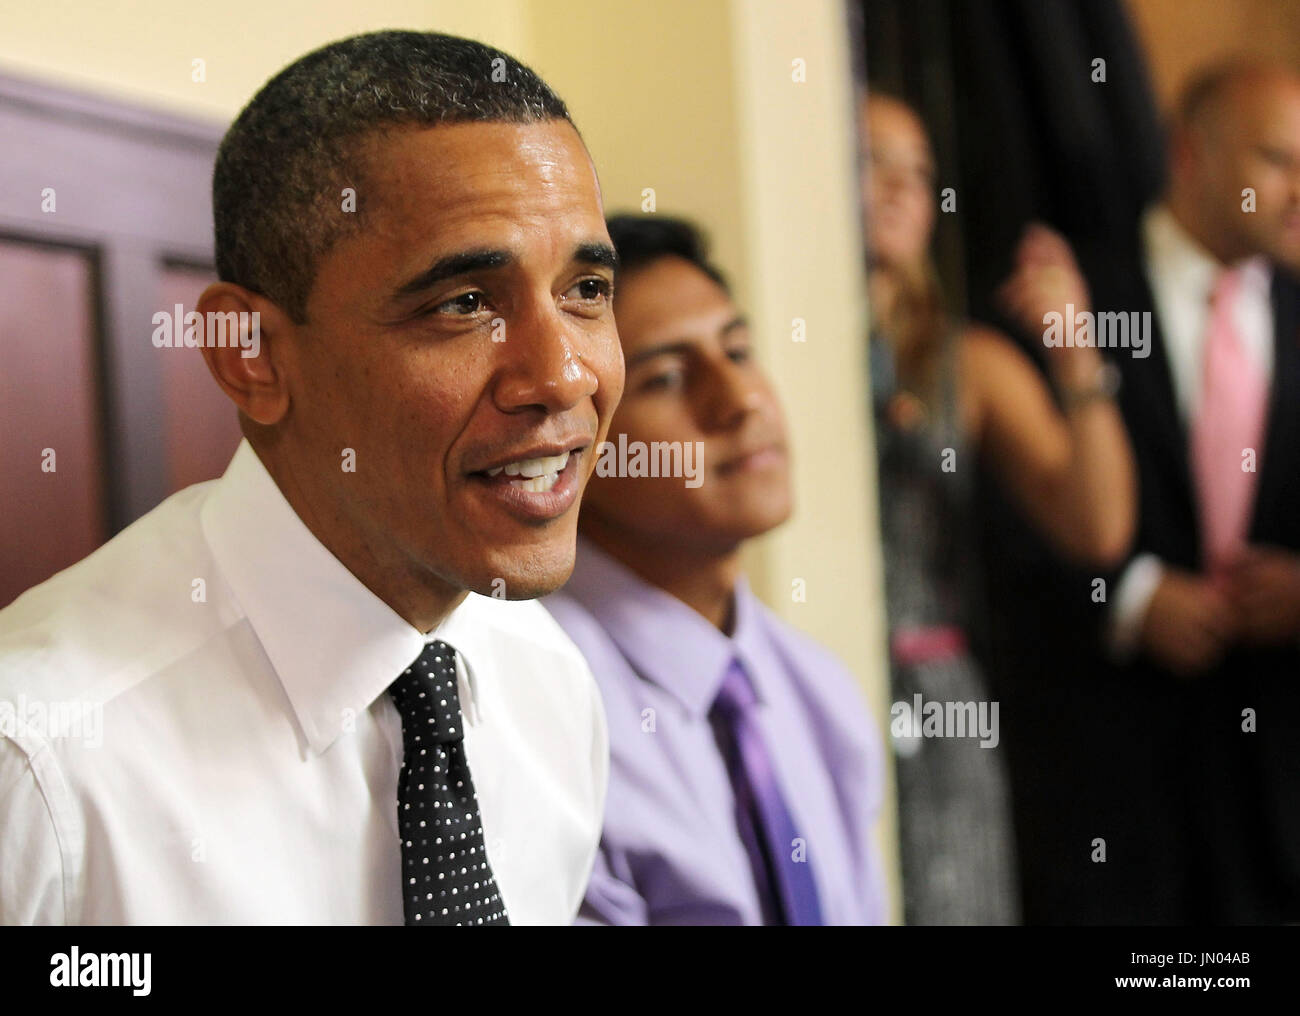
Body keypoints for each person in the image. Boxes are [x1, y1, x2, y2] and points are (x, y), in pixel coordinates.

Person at [0, 31, 624, 925]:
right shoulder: (41, 768)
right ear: (249, 354)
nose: (564, 377)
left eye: (587, 291)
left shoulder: (550, 687)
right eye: (464, 304)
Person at [1005, 60, 1300, 924]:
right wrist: (1126, 598)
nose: (1299, 191)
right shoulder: (1067, 299)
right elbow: (999, 513)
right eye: (1277, 162)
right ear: (1189, 156)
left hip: (1279, 811)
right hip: (1109, 795)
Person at [543, 215, 887, 925]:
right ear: (573, 433)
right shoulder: (545, 702)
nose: (741, 401)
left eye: (740, 350)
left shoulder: (816, 693)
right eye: (667, 375)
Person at [862, 93, 1136, 924]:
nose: (903, 188)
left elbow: (1097, 527)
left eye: (921, 172)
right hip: (812, 662)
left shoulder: (961, 358)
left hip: (931, 694)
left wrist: (1076, 356)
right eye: (874, 160)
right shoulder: (762, 337)